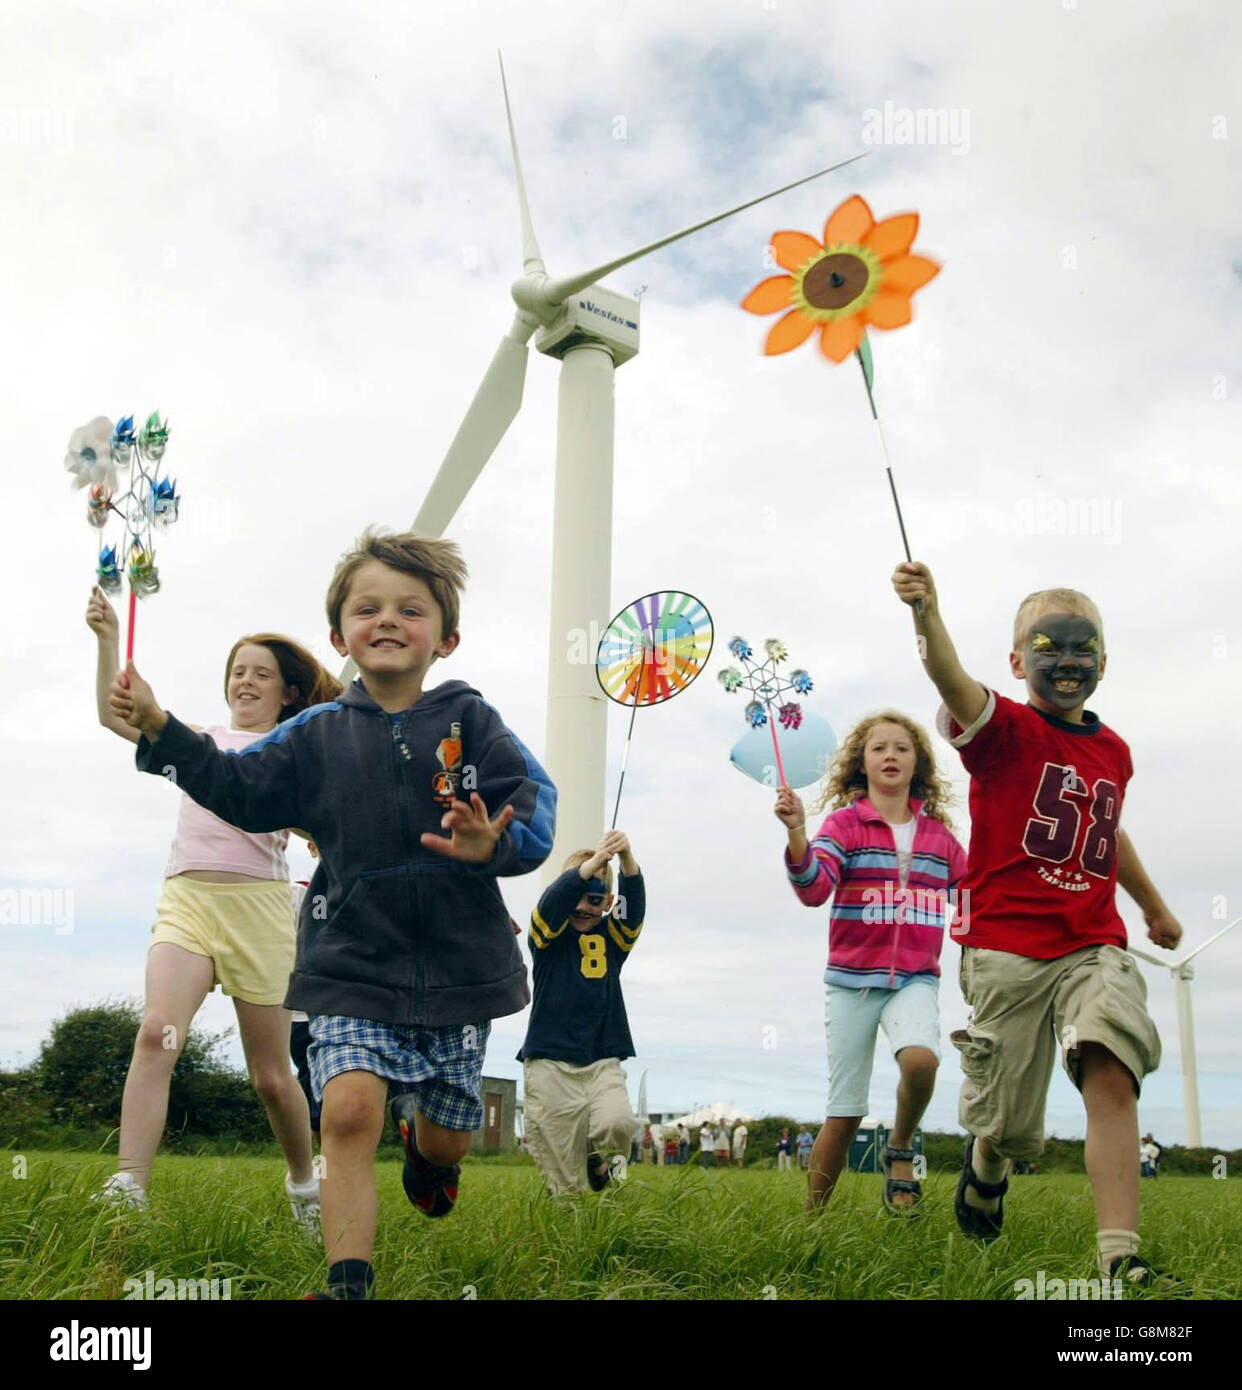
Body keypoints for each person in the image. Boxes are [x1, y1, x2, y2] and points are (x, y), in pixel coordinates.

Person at [110, 528, 556, 1301]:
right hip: (352, 957)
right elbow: (236, 784)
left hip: (459, 964)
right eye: (367, 607)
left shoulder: (474, 723)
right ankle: (348, 1285)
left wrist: (497, 842)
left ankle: (429, 1152)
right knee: (347, 1113)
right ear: (338, 633)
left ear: (446, 637)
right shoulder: (315, 735)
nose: (387, 619)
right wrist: (161, 729)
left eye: (410, 609)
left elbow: (532, 810)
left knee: (452, 1135)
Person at [893, 562, 1183, 1287]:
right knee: (1011, 1127)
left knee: (1108, 1056)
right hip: (1005, 949)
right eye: (1048, 647)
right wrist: (927, 614)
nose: (1068, 661)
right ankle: (988, 1164)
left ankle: (1120, 1256)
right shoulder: (1003, 730)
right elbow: (947, 677)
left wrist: (1149, 905)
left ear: (1104, 663)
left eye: (1082, 649)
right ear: (1018, 661)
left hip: (1092, 942)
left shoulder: (1113, 751)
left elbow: (1107, 831)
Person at [87, 586, 340, 1230]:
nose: (247, 681)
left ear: (287, 693)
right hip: (188, 901)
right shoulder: (194, 737)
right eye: (238, 672)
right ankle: (128, 1188)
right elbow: (116, 717)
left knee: (271, 1077)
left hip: (259, 911)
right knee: (156, 1032)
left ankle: (305, 1186)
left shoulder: (295, 751)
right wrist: (108, 639)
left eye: (262, 673)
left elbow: (330, 827)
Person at [777, 711, 967, 1214]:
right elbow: (814, 889)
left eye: (901, 748)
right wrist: (799, 833)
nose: (890, 756)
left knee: (922, 1060)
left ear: (917, 763)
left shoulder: (939, 838)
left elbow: (972, 898)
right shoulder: (844, 825)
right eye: (879, 748)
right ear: (861, 763)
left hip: (915, 979)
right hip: (851, 983)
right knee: (845, 1114)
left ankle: (900, 1147)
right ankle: (811, 1219)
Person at [516, 831, 645, 1196]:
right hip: (549, 1064)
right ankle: (573, 1232)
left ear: (606, 903)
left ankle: (615, 1182)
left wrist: (626, 860)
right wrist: (589, 867)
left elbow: (631, 908)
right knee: (563, 1176)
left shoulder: (613, 939)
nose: (582, 907)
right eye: (576, 895)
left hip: (602, 1060)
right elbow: (552, 904)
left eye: (593, 899)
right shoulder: (545, 937)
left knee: (618, 1123)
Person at [288, 843, 322, 1141]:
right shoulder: (296, 894)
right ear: (311, 847)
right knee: (319, 1100)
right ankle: (321, 1172)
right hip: (303, 1017)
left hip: (359, 1011)